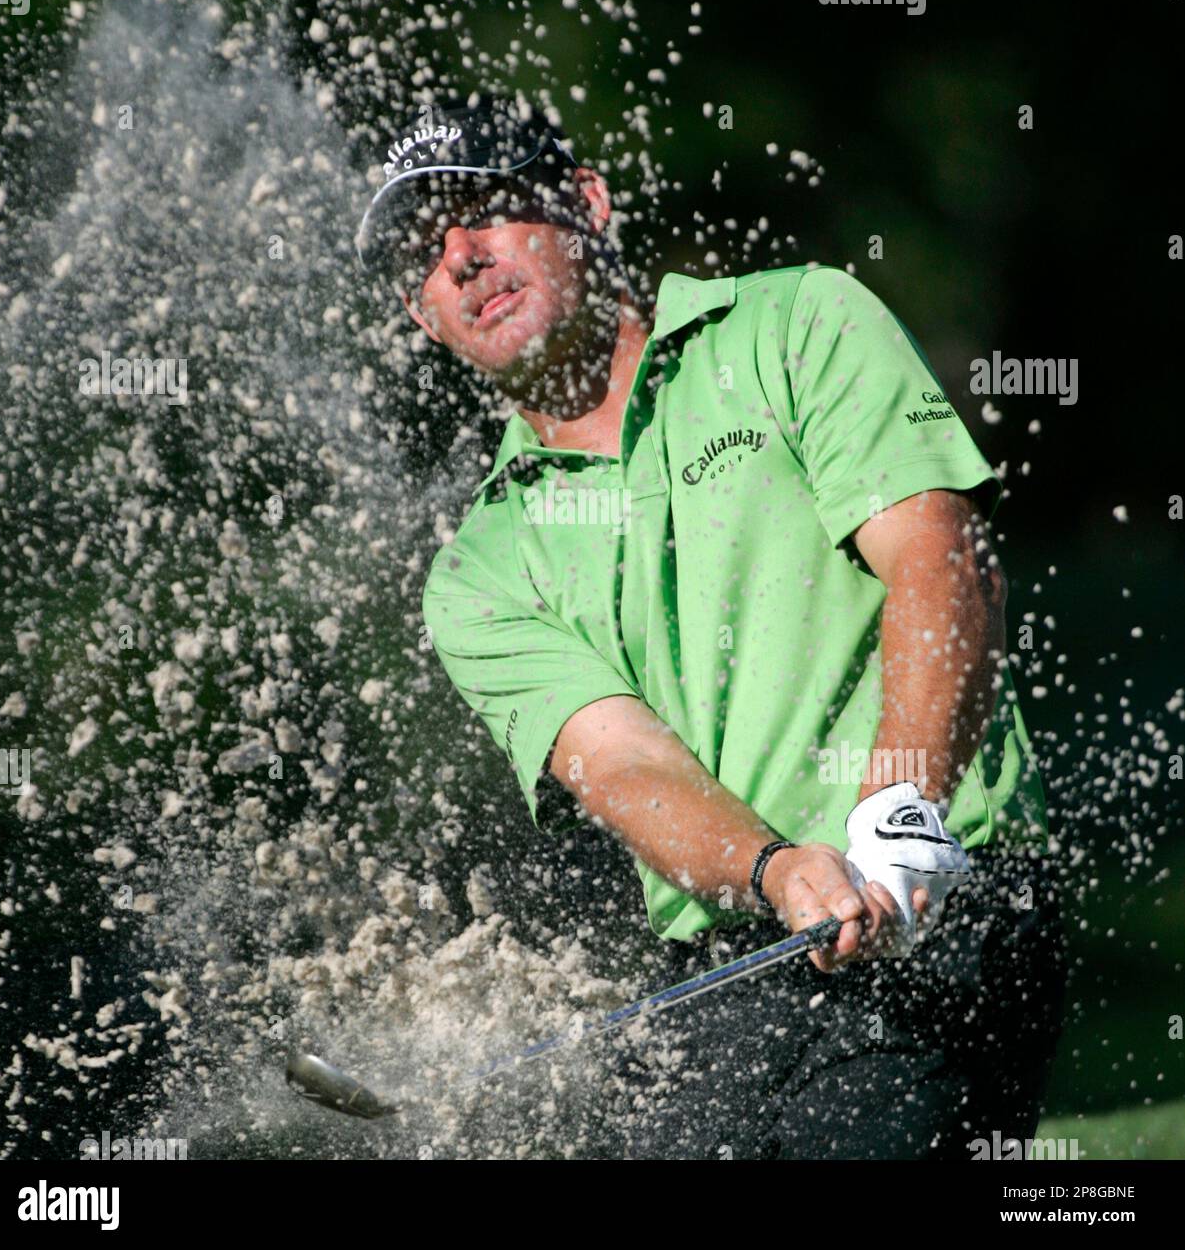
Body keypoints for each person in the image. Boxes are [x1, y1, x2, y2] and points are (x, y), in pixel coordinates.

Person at [358, 97, 1067, 1159]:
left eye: (490, 210)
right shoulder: (476, 571)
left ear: (587, 206)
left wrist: (898, 806)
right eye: (425, 250)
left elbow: (936, 556)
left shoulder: (796, 324)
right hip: (741, 948)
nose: (460, 257)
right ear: (422, 317)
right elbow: (624, 764)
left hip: (940, 891)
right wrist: (780, 871)